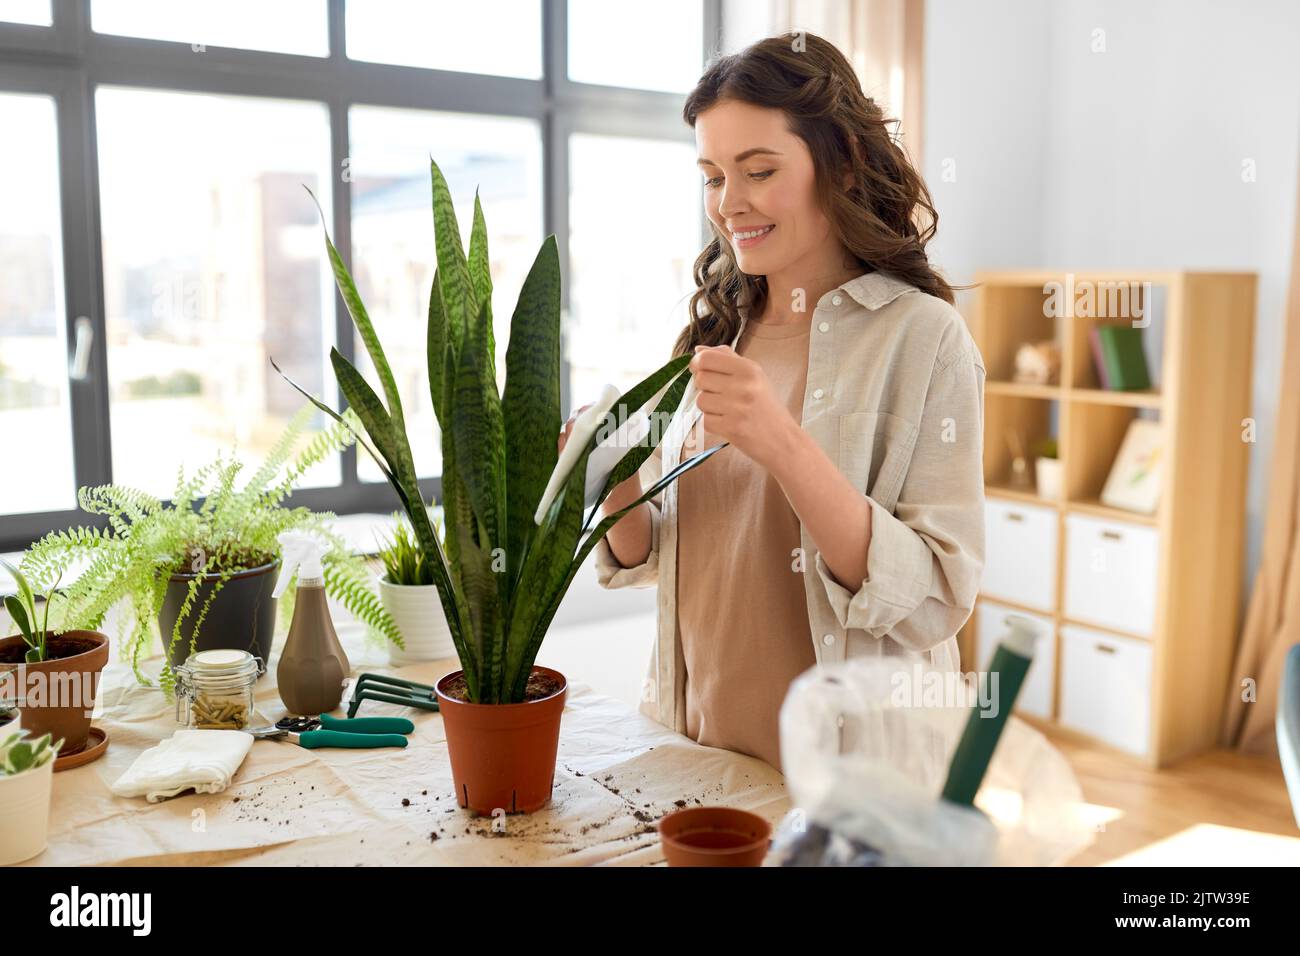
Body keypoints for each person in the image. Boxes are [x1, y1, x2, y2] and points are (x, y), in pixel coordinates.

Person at [562, 33, 985, 774]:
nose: (730, 204)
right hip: (699, 753)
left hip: (852, 779)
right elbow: (666, 555)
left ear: (842, 163)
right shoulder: (719, 331)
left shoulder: (925, 340)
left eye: (758, 170)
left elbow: (936, 596)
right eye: (712, 176)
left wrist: (783, 443)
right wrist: (615, 477)